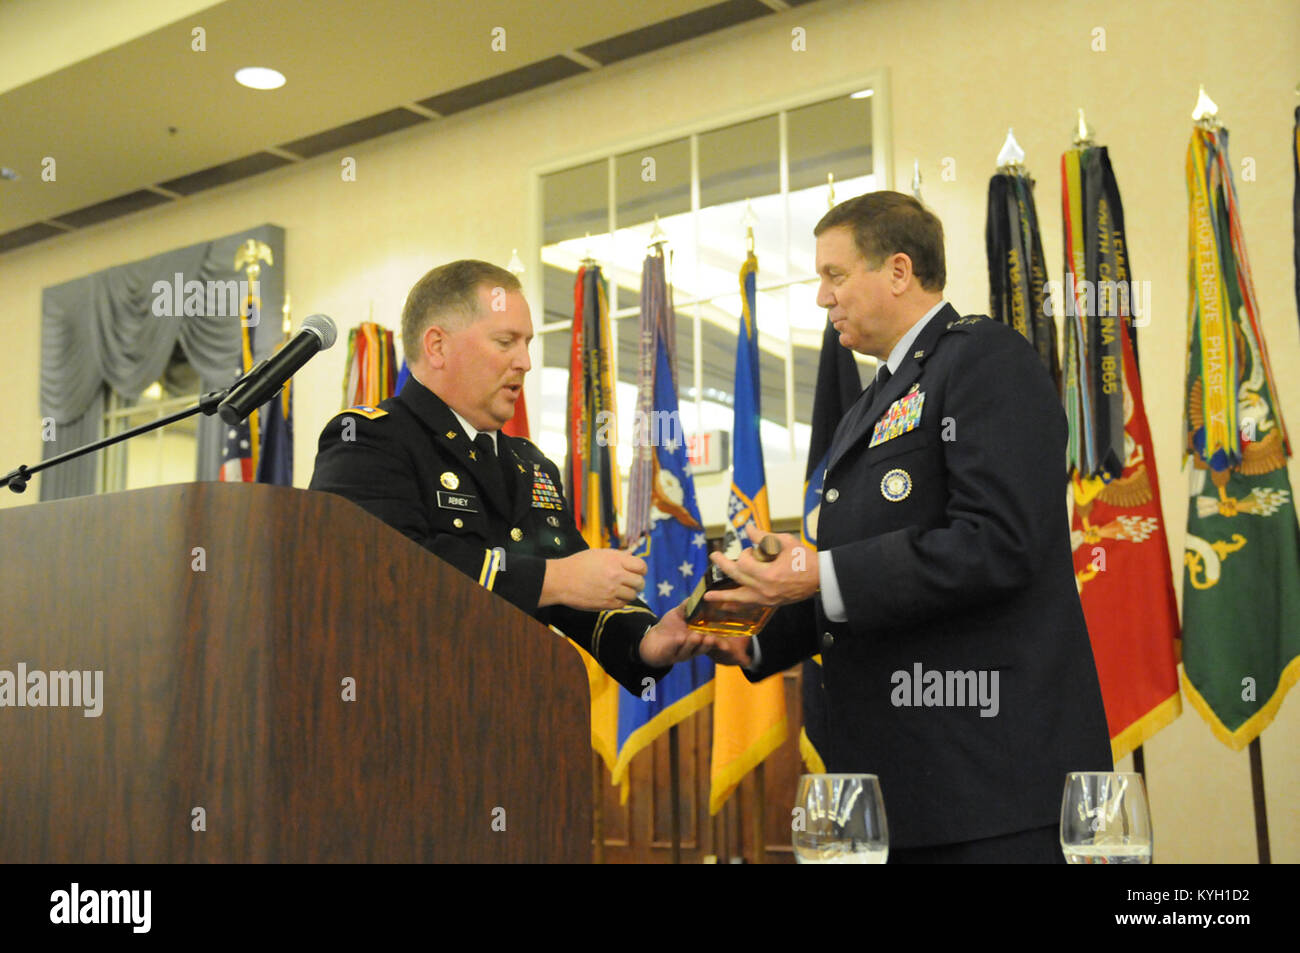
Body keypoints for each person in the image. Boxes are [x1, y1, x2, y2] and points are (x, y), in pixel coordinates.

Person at [706, 192, 1112, 863]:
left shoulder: (985, 360)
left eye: (834, 276)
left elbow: (995, 543)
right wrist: (749, 630)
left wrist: (816, 571)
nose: (821, 298)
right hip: (895, 794)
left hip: (990, 788)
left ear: (898, 271)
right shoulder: (867, 405)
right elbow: (859, 582)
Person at [309, 259, 707, 694]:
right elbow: (382, 571)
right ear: (437, 346)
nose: (525, 362)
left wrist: (649, 642)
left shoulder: (528, 462)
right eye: (506, 342)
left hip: (516, 720)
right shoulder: (369, 439)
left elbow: (574, 587)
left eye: (528, 343)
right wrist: (553, 580)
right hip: (404, 716)